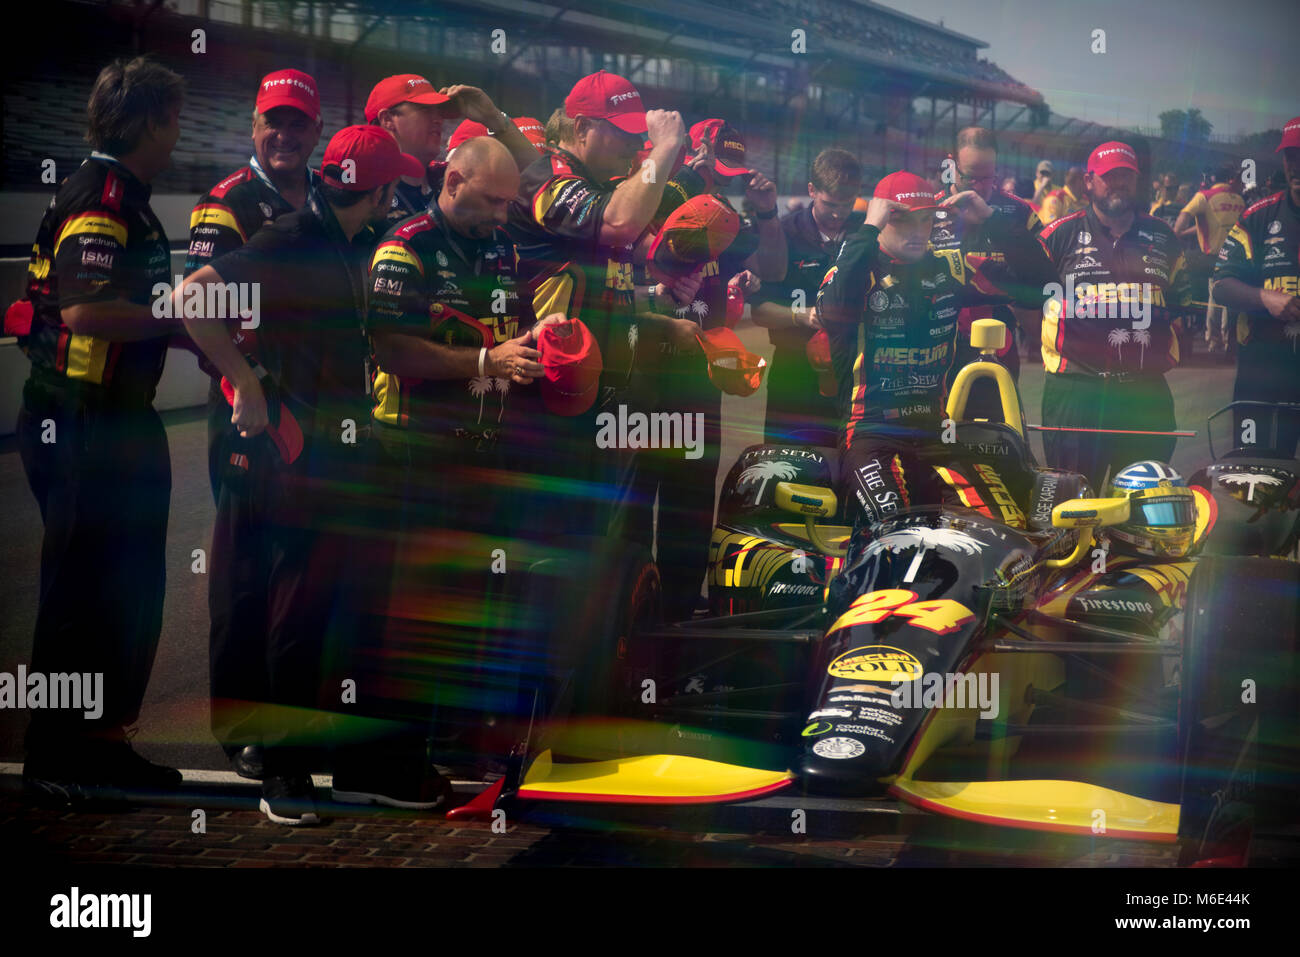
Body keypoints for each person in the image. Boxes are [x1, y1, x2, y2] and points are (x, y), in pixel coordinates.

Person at [178, 125, 422, 825]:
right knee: (290, 612)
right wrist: (246, 382)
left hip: (336, 457)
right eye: (388, 186)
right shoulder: (290, 239)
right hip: (291, 458)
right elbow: (192, 298)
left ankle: (307, 747)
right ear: (372, 191)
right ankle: (281, 773)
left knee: (316, 613)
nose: (391, 197)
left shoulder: (347, 240)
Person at [17, 56, 185, 805]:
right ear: (151, 122)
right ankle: (56, 750)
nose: (178, 133)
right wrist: (181, 314)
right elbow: (87, 310)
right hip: (82, 419)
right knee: (82, 592)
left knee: (125, 588)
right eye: (173, 119)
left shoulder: (126, 195)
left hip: (113, 417)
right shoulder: (104, 195)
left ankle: (104, 741)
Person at [184, 68, 323, 782]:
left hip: (314, 415)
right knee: (244, 572)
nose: (285, 135)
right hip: (251, 410)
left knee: (298, 571)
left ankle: (294, 716)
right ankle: (243, 726)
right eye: (274, 120)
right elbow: (197, 311)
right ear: (252, 125)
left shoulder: (324, 197)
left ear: (317, 131)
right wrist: (248, 384)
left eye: (298, 123)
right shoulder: (229, 204)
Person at [506, 70, 699, 540]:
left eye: (640, 136)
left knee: (600, 549)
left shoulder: (597, 182)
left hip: (601, 403)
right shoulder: (549, 179)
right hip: (554, 405)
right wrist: (663, 149)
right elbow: (616, 223)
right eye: (623, 133)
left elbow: (601, 290)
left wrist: (657, 319)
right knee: (558, 551)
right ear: (581, 130)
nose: (634, 145)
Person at [817, 171, 1043, 528]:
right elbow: (830, 312)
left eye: (926, 219)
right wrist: (868, 229)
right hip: (870, 436)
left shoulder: (951, 267)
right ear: (881, 219)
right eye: (902, 219)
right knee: (896, 531)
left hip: (937, 435)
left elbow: (1040, 282)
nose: (918, 231)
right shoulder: (858, 267)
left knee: (1005, 528)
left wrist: (992, 221)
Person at [1037, 141, 1192, 489]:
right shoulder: (1058, 234)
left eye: (1126, 175)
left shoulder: (1164, 236)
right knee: (1072, 506)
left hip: (1144, 395)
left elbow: (1183, 304)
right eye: (1109, 177)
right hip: (1076, 393)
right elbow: (1027, 301)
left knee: (1141, 511)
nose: (1118, 183)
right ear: (1090, 181)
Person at [930, 127, 1057, 419]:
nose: (979, 186)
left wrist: (991, 220)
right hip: (934, 355)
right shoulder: (928, 211)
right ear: (951, 166)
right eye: (970, 176)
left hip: (999, 353)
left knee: (995, 442)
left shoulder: (1017, 213)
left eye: (988, 177)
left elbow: (1046, 285)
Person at [751, 148, 863, 447]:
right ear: (811, 190)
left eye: (847, 204)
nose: (839, 213)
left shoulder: (867, 232)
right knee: (783, 465)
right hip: (793, 373)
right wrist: (802, 316)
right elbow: (759, 311)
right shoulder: (784, 232)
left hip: (851, 373)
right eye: (830, 204)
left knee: (847, 468)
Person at [1211, 117, 1300, 457]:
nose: (1297, 166)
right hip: (1260, 371)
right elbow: (1221, 284)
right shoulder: (1259, 216)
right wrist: (1264, 297)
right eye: (1291, 156)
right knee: (1254, 473)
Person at [366, 74, 539, 227]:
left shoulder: (451, 177)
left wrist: (493, 118)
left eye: (439, 110)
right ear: (387, 119)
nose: (438, 119)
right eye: (425, 109)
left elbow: (538, 179)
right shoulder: (364, 189)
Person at [1175, 163, 1246, 352]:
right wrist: (1188, 232)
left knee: (1215, 293)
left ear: (1211, 179)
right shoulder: (1238, 199)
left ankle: (1214, 338)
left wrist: (1176, 233)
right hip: (1236, 258)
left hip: (1211, 258)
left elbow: (1185, 214)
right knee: (1227, 296)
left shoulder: (1204, 196)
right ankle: (1226, 338)